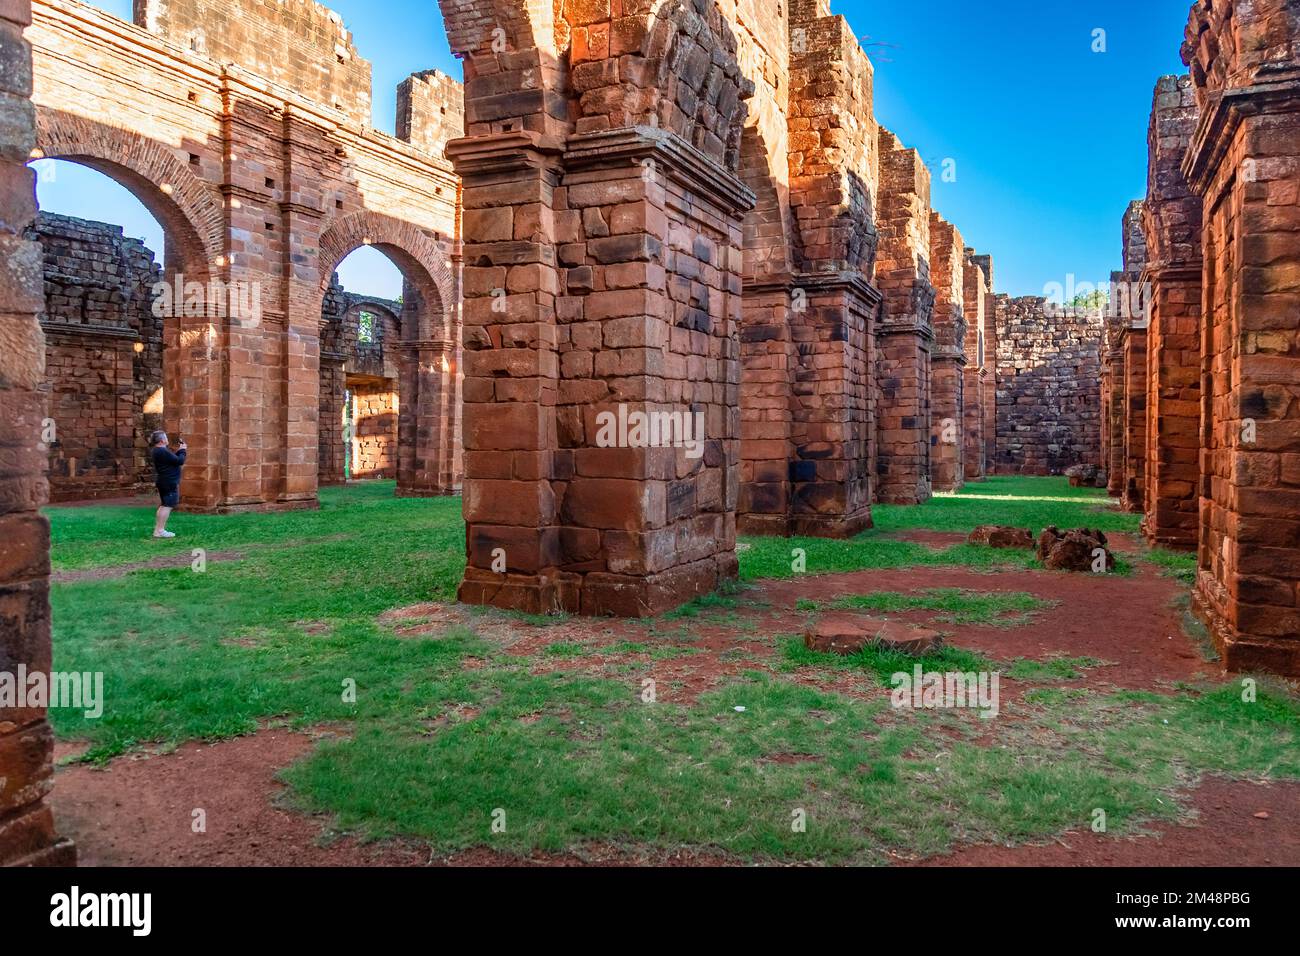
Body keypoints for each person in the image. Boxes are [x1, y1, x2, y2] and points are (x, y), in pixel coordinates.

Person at [149, 430, 186, 539]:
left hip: (164, 481)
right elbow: (180, 461)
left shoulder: (159, 451)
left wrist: (180, 451)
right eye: (165, 437)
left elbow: (174, 460)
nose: (167, 439)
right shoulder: (162, 451)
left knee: (164, 505)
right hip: (168, 481)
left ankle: (157, 530)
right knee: (167, 505)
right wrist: (183, 450)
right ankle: (160, 530)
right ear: (161, 441)